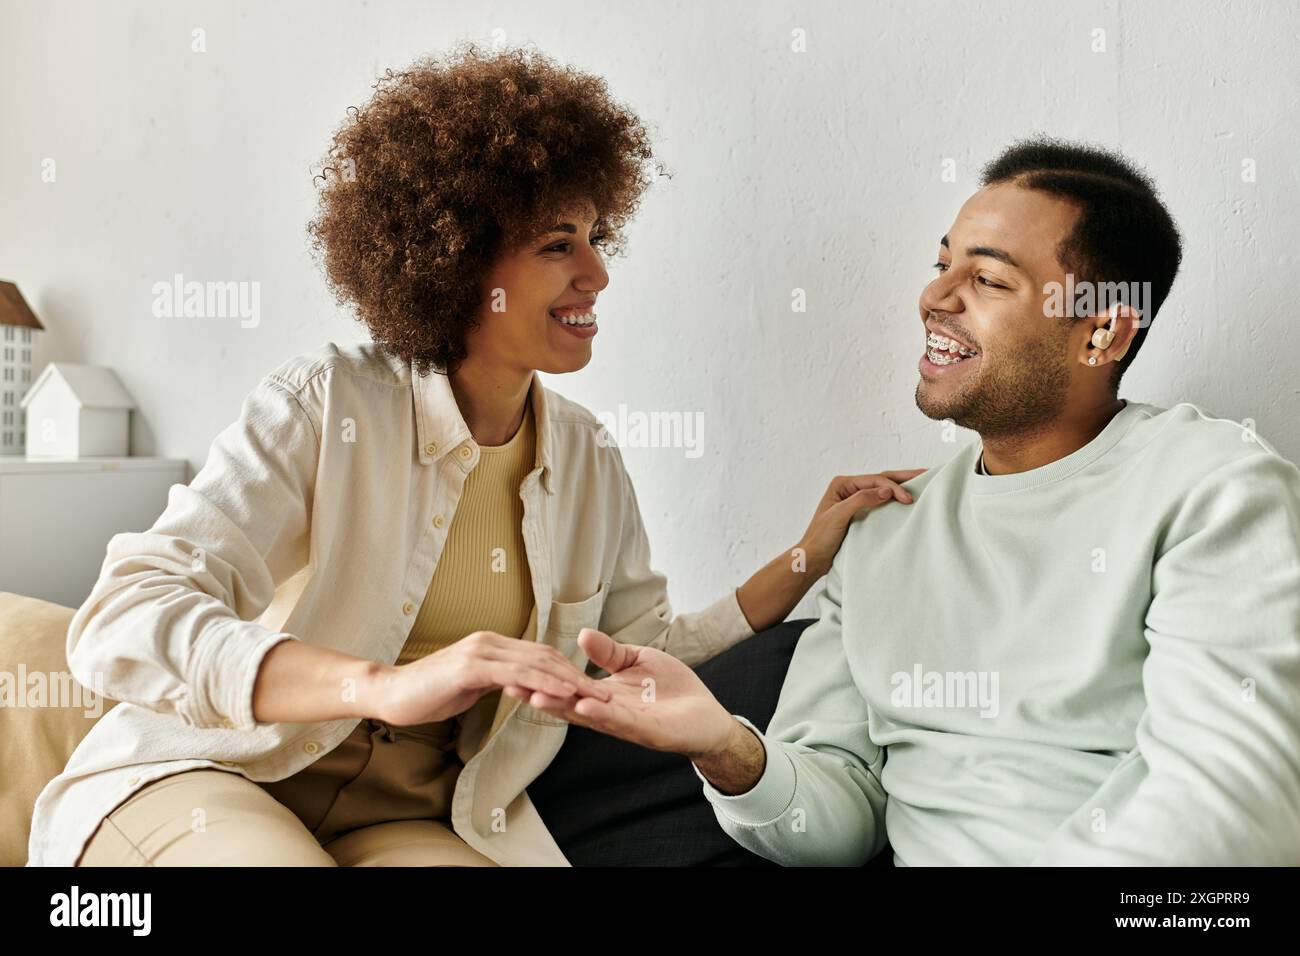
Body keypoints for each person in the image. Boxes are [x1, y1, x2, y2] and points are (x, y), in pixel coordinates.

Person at [26, 43, 921, 868]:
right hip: (215, 777)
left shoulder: (587, 457)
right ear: (455, 261)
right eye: (556, 245)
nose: (598, 274)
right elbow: (122, 614)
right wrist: (380, 686)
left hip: (415, 816)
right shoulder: (327, 405)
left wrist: (810, 554)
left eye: (597, 237)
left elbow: (643, 647)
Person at [517, 137, 1300, 866]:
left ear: (1101, 333)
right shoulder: (889, 525)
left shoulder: (1215, 490)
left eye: (988, 279)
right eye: (942, 264)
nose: (936, 297)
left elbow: (1230, 806)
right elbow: (840, 815)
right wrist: (731, 750)